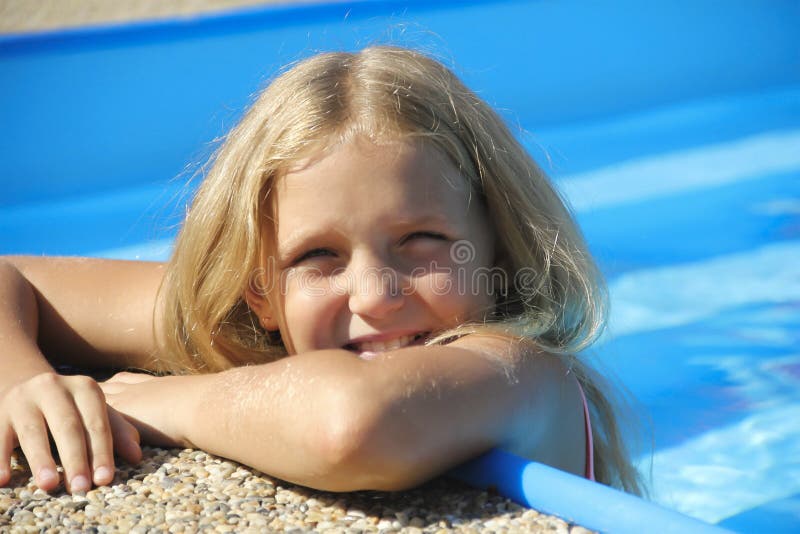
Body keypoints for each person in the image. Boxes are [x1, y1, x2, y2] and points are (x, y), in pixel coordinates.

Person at [0, 46, 645, 497]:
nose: (375, 294)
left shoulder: (523, 373)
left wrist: (147, 398)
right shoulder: (247, 318)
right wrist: (27, 385)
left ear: (498, 253)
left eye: (422, 240)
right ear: (259, 291)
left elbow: (354, 424)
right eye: (317, 256)